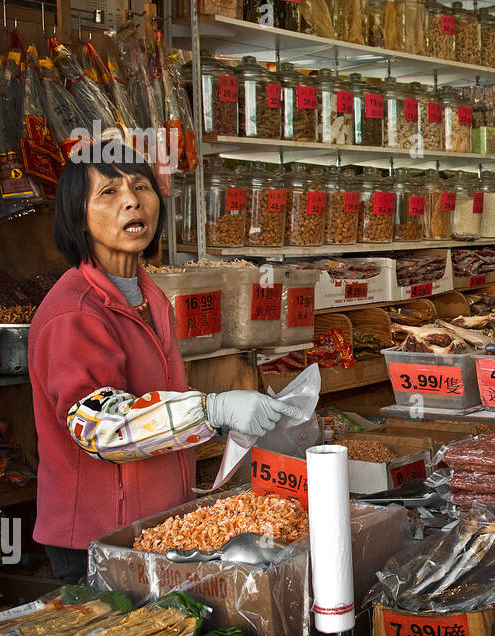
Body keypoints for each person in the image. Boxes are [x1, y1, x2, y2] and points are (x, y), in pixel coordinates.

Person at [29, 146, 302, 582]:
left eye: (141, 187)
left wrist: (228, 419)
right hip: (98, 540)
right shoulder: (74, 312)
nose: (132, 201)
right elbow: (100, 426)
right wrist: (210, 411)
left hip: (156, 525)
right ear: (77, 216)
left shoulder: (149, 293)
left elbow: (159, 397)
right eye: (109, 191)